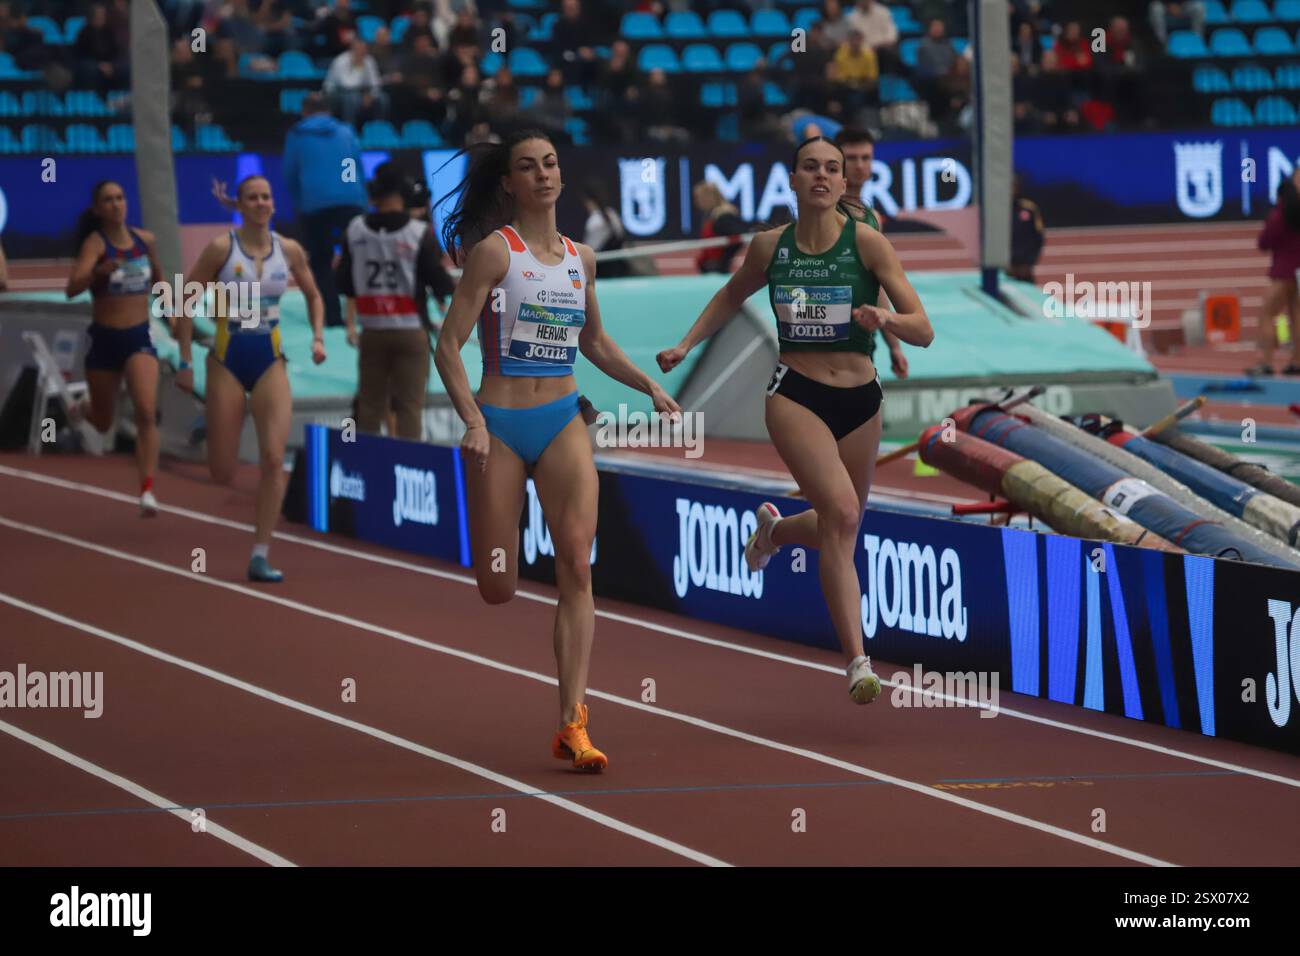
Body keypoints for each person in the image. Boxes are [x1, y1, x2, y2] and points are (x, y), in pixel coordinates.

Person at [433, 130, 680, 771]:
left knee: (576, 562)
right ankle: (494, 544)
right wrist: (471, 420)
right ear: (509, 183)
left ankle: (574, 723)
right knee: (497, 586)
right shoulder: (494, 253)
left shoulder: (582, 258)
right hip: (501, 424)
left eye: (550, 164)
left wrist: (648, 383)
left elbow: (594, 344)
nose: (542, 174)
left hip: (564, 419)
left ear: (561, 176)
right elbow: (447, 344)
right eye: (527, 167)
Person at [657, 137, 933, 704]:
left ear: (843, 183)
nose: (824, 176)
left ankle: (775, 532)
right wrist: (686, 344)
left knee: (842, 525)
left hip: (862, 399)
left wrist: (887, 319)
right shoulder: (769, 248)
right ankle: (858, 662)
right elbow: (731, 295)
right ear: (793, 179)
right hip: (796, 396)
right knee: (842, 511)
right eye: (812, 167)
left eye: (834, 169)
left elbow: (923, 327)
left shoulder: (869, 244)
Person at [176, 176, 327, 582]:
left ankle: (260, 553)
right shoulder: (221, 249)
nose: (262, 203)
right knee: (222, 473)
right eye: (253, 197)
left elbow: (315, 295)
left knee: (274, 459)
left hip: (269, 359)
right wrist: (185, 361)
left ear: (273, 204)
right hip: (226, 359)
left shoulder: (289, 250)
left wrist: (316, 337)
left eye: (267, 196)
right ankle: (213, 421)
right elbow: (184, 302)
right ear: (240, 206)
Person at [64, 180, 163, 514]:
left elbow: (161, 284)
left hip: (139, 338)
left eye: (120, 198)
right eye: (108, 200)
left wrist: (177, 321)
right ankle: (83, 408)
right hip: (105, 340)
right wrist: (97, 272)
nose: (116, 205)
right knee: (104, 422)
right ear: (97, 209)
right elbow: (71, 288)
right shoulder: (95, 244)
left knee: (146, 412)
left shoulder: (145, 241)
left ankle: (147, 491)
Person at [337, 162, 454, 440]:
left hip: (373, 332)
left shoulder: (354, 230)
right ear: (402, 195)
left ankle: (365, 469)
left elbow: (343, 283)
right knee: (409, 409)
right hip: (411, 332)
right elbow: (440, 282)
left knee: (368, 408)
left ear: (374, 195)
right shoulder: (418, 232)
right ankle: (408, 469)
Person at [282, 92, 367, 328]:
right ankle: (366, 310)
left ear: (305, 111)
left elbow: (290, 172)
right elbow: (352, 164)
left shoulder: (297, 135)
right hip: (349, 202)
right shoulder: (345, 131)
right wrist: (354, 194)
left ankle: (331, 316)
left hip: (314, 204)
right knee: (358, 256)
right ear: (328, 110)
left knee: (320, 260)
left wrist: (300, 202)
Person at [834, 127, 909, 380]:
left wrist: (895, 346)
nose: (859, 165)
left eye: (866, 158)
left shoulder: (873, 218)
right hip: (828, 342)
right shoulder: (823, 215)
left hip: (865, 339)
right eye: (851, 158)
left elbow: (878, 285)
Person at [1250, 171, 1300, 377]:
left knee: (1267, 314)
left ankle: (1267, 361)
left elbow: (1264, 242)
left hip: (1283, 273)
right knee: (1297, 317)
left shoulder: (1279, 216)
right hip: (1299, 273)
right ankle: (1296, 361)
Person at [579, 179, 629, 278]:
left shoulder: (594, 222)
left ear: (588, 201)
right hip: (617, 272)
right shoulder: (613, 214)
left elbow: (589, 253)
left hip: (603, 275)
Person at [693, 181, 745, 275]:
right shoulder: (711, 214)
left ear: (708, 197)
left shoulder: (723, 216)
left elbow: (737, 239)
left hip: (717, 271)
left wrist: (723, 261)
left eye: (698, 198)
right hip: (710, 269)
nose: (696, 202)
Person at [1009, 175, 1045, 283]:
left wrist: (1030, 262)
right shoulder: (997, 211)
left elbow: (1038, 238)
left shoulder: (1029, 209)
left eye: (1012, 186)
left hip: (1025, 268)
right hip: (1006, 268)